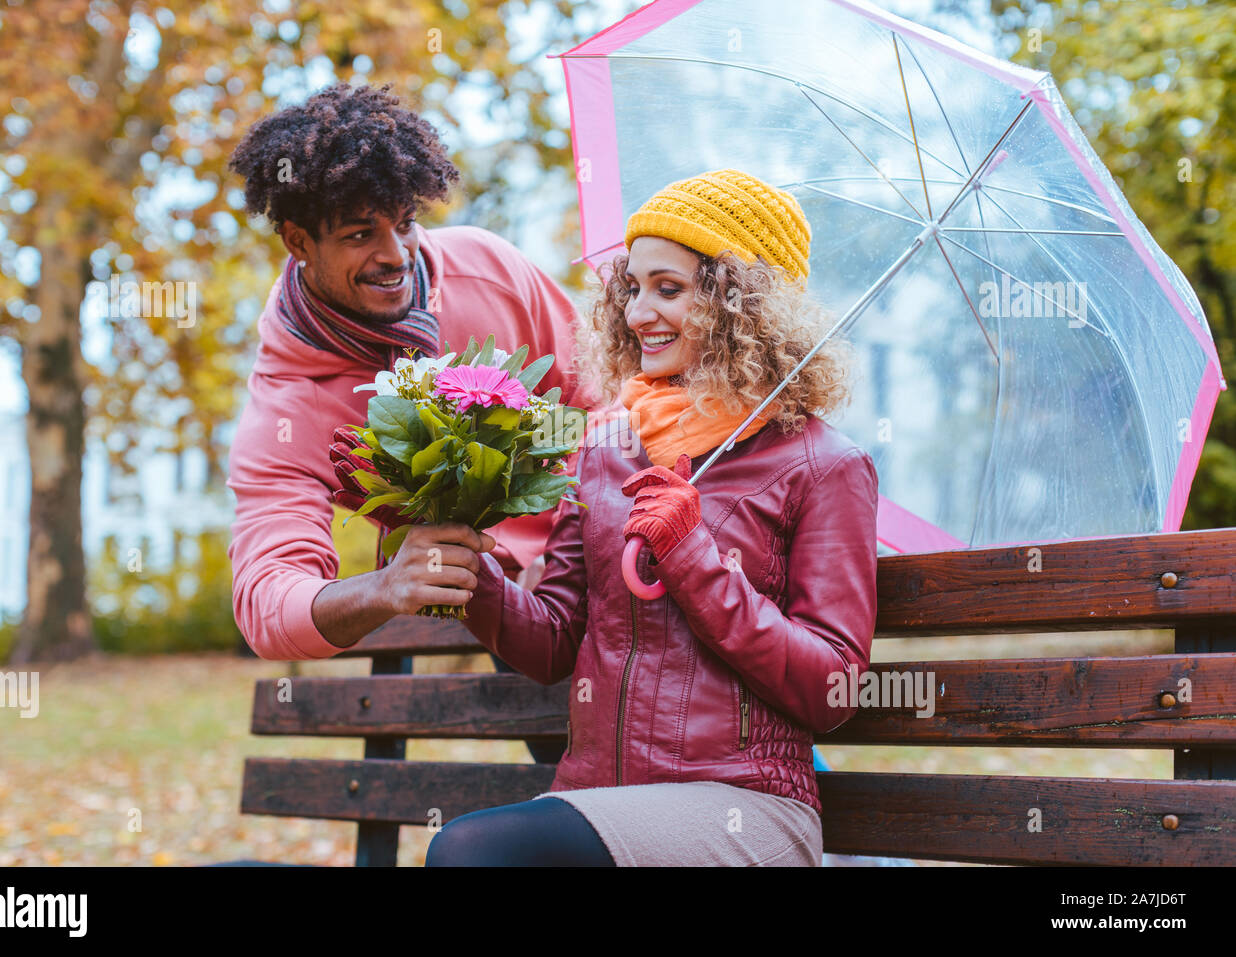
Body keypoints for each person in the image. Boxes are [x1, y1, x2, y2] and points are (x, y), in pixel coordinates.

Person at [424, 169, 880, 866]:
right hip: (596, 798)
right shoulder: (608, 446)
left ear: (738, 301)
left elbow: (832, 686)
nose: (638, 314)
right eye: (633, 288)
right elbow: (554, 642)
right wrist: (471, 570)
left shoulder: (821, 463)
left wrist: (693, 557)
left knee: (470, 852)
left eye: (669, 288)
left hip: (744, 805)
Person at [224, 81, 592, 764]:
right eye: (361, 234)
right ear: (299, 240)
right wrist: (383, 588)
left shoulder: (489, 271)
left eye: (404, 221)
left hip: (606, 564)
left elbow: (609, 404)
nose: (396, 254)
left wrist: (567, 547)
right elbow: (267, 598)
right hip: (521, 632)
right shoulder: (290, 402)